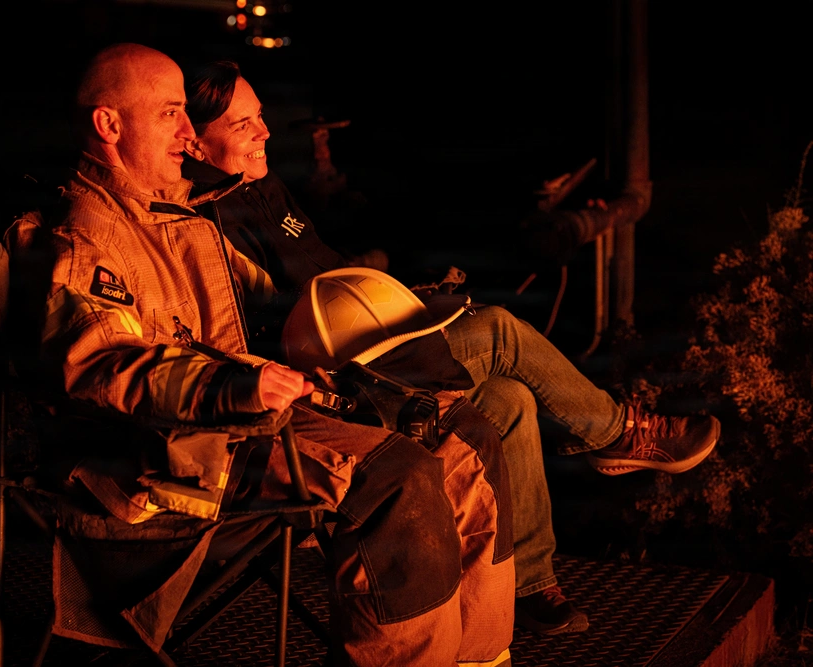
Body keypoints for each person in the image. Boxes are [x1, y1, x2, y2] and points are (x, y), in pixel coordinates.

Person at [3, 42, 518, 666]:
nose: (191, 134)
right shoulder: (83, 237)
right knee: (397, 480)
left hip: (241, 423)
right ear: (109, 124)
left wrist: (379, 319)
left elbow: (280, 303)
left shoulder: (178, 214)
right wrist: (236, 389)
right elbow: (98, 365)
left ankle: (480, 659)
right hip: (165, 457)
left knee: (467, 437)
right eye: (171, 113)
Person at [180, 60, 722, 636]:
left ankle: (531, 581)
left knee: (510, 399)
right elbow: (278, 325)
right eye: (244, 125)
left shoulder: (261, 186)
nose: (265, 132)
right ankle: (617, 434)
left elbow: (327, 272)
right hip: (336, 381)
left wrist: (403, 298)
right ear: (193, 138)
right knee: (499, 329)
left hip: (370, 342)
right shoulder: (206, 222)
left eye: (261, 116)